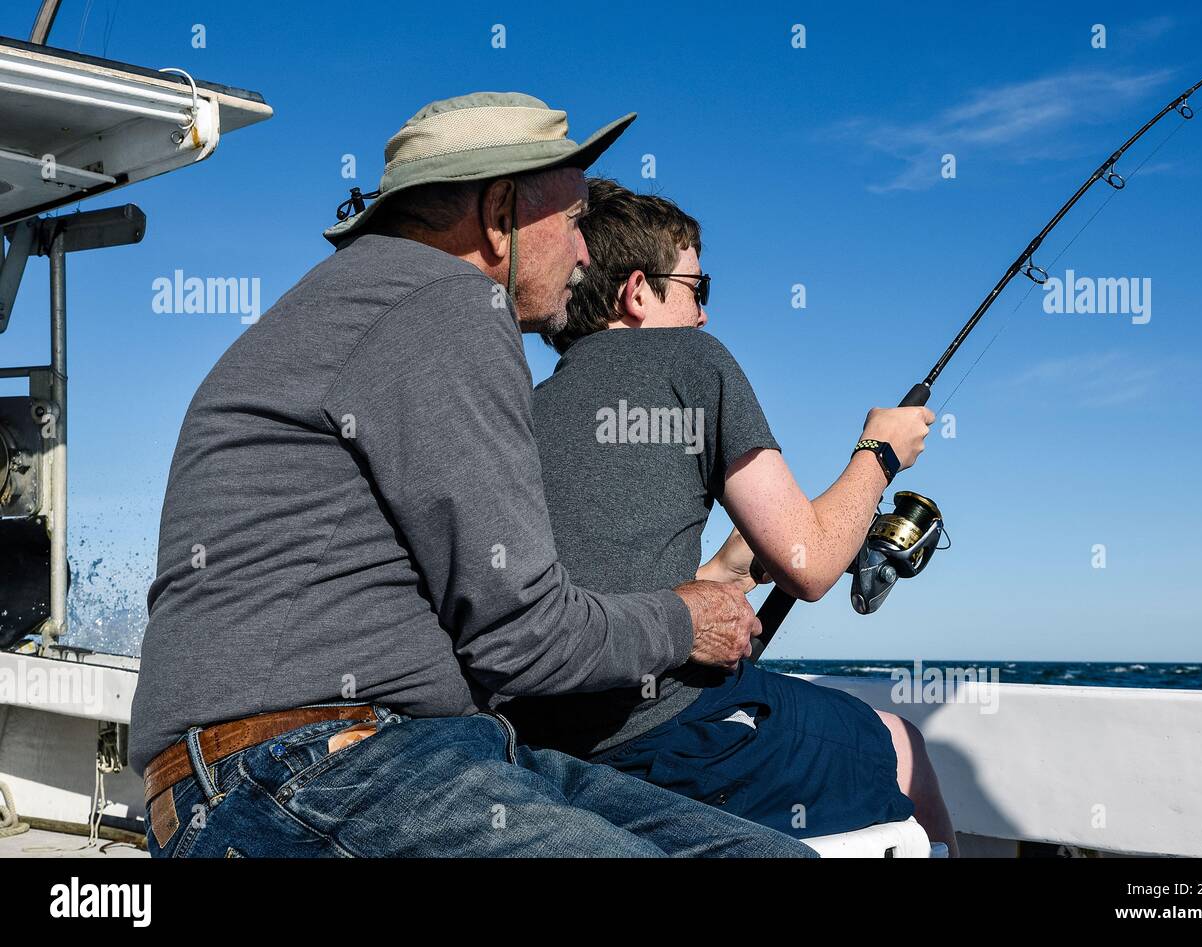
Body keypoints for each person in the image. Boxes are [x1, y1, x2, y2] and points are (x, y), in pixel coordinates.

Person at [130, 94, 814, 858]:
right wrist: (686, 620)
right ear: (498, 216)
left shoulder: (367, 298)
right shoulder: (447, 299)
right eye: (575, 221)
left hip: (375, 754)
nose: (586, 254)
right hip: (303, 764)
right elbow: (524, 638)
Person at [505, 178, 957, 853]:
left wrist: (728, 569)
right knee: (903, 744)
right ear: (637, 293)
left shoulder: (527, 407)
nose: (704, 315)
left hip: (537, 748)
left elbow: (596, 592)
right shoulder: (692, 359)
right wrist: (880, 453)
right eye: (696, 289)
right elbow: (810, 568)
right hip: (664, 742)